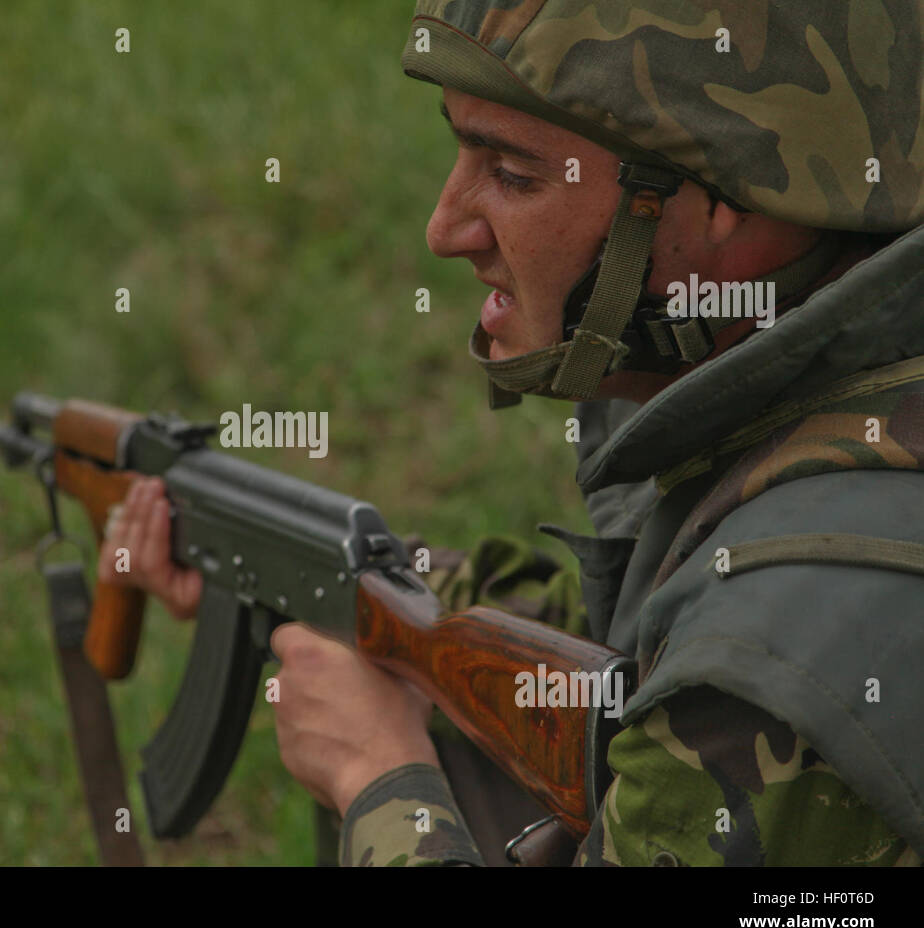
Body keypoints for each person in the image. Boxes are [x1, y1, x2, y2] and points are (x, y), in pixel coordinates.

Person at [100, 1, 924, 866]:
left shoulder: (770, 668)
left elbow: (728, 643)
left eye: (514, 176)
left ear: (720, 200)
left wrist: (379, 778)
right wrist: (354, 590)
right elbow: (646, 640)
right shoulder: (796, 377)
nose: (444, 228)